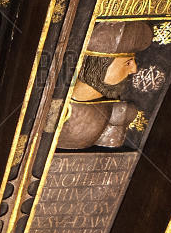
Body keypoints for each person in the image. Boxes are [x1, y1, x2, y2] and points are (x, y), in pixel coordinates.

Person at [57, 22, 153, 150]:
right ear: (99, 67)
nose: (134, 69)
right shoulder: (59, 107)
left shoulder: (117, 112)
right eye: (128, 62)